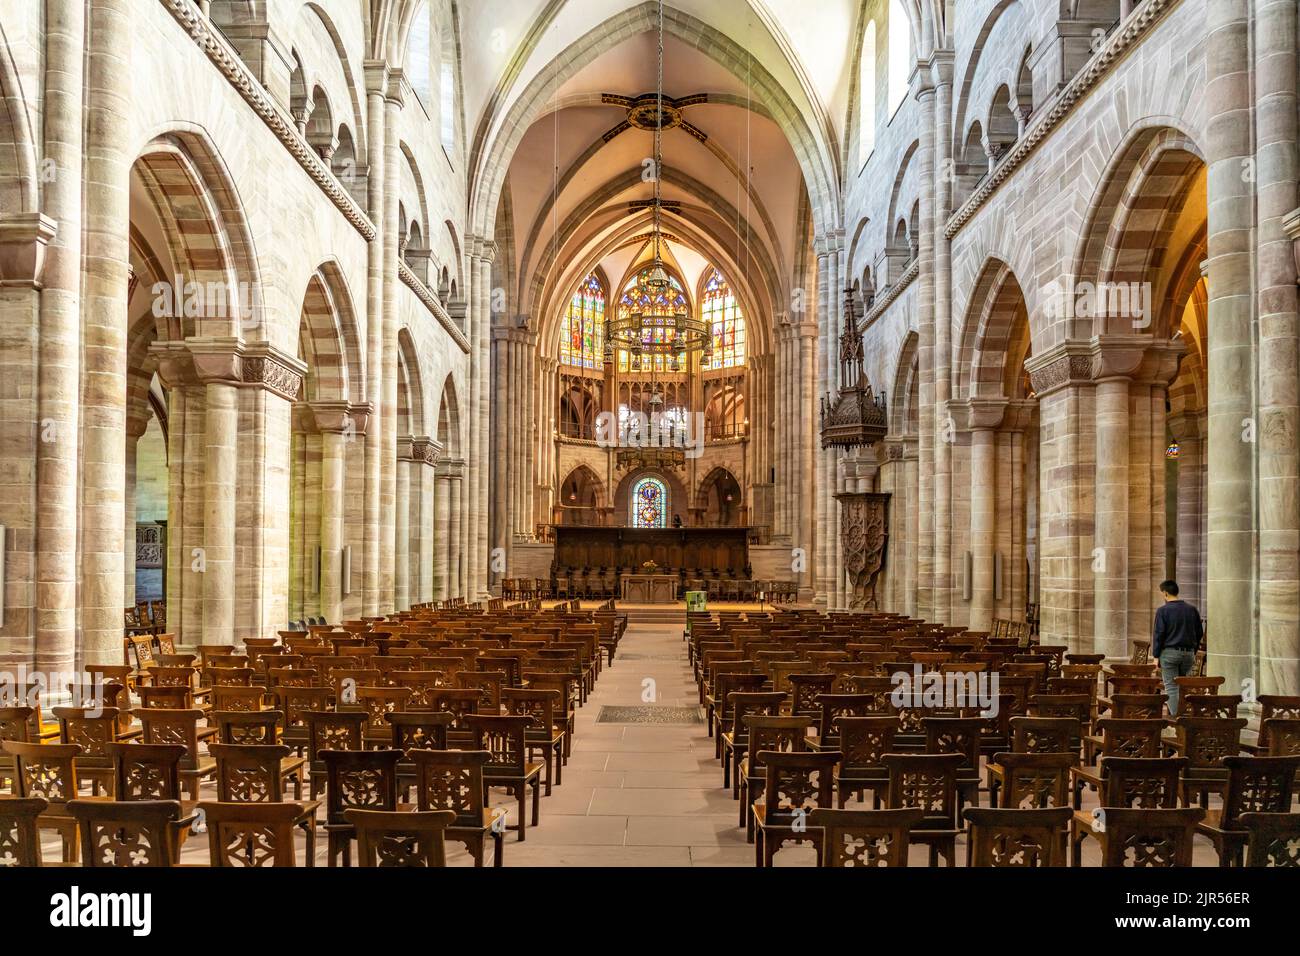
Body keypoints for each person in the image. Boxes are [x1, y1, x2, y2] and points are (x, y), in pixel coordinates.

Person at [1152, 579, 1202, 716]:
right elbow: (1199, 633)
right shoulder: (1192, 610)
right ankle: (1187, 715)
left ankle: (1179, 718)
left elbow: (1159, 634)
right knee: (1184, 686)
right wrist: (1193, 651)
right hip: (1189, 654)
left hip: (1169, 654)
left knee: (1172, 687)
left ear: (1165, 593)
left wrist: (1156, 656)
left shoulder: (1163, 611)